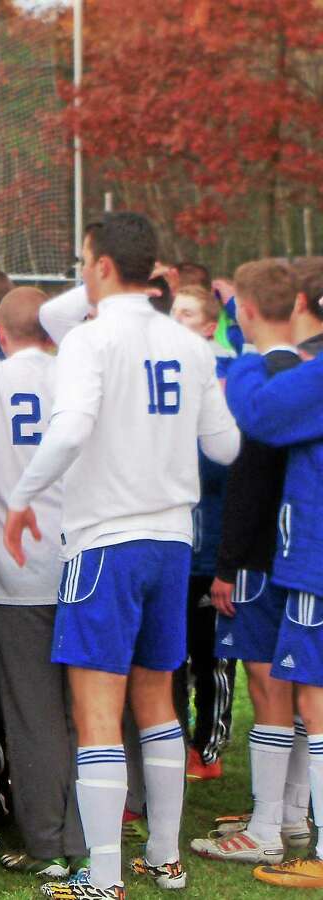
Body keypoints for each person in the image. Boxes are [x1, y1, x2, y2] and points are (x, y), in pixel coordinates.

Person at [4, 211, 240, 899]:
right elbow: (225, 447)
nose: (80, 274)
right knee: (157, 701)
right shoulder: (190, 343)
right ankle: (165, 860)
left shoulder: (90, 339)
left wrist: (23, 495)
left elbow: (72, 426)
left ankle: (102, 880)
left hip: (107, 539)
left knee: (97, 713)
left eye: (85, 261)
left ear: (102, 265)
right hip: (173, 542)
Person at [188, 259, 311, 866]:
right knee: (288, 686)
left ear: (244, 309)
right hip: (287, 554)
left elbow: (250, 482)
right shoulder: (300, 371)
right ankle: (288, 815)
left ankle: (268, 824)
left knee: (270, 688)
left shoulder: (260, 379)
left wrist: (227, 564)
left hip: (264, 559)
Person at [0, 287, 87, 879]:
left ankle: (49, 841)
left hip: (17, 573)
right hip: (86, 560)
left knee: (33, 713)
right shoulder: (79, 373)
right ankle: (88, 825)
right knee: (88, 710)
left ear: (1, 331)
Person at [224, 304, 323, 891]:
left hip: (316, 562)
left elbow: (260, 413)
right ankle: (282, 821)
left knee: (314, 702)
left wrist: (250, 350)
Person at [166, 284, 237, 781]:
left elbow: (226, 472)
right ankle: (168, 740)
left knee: (212, 657)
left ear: (210, 326)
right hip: (171, 544)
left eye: (187, 313)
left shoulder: (224, 382)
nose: (177, 319)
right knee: (170, 655)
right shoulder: (166, 380)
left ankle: (206, 747)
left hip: (210, 549)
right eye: (173, 311)